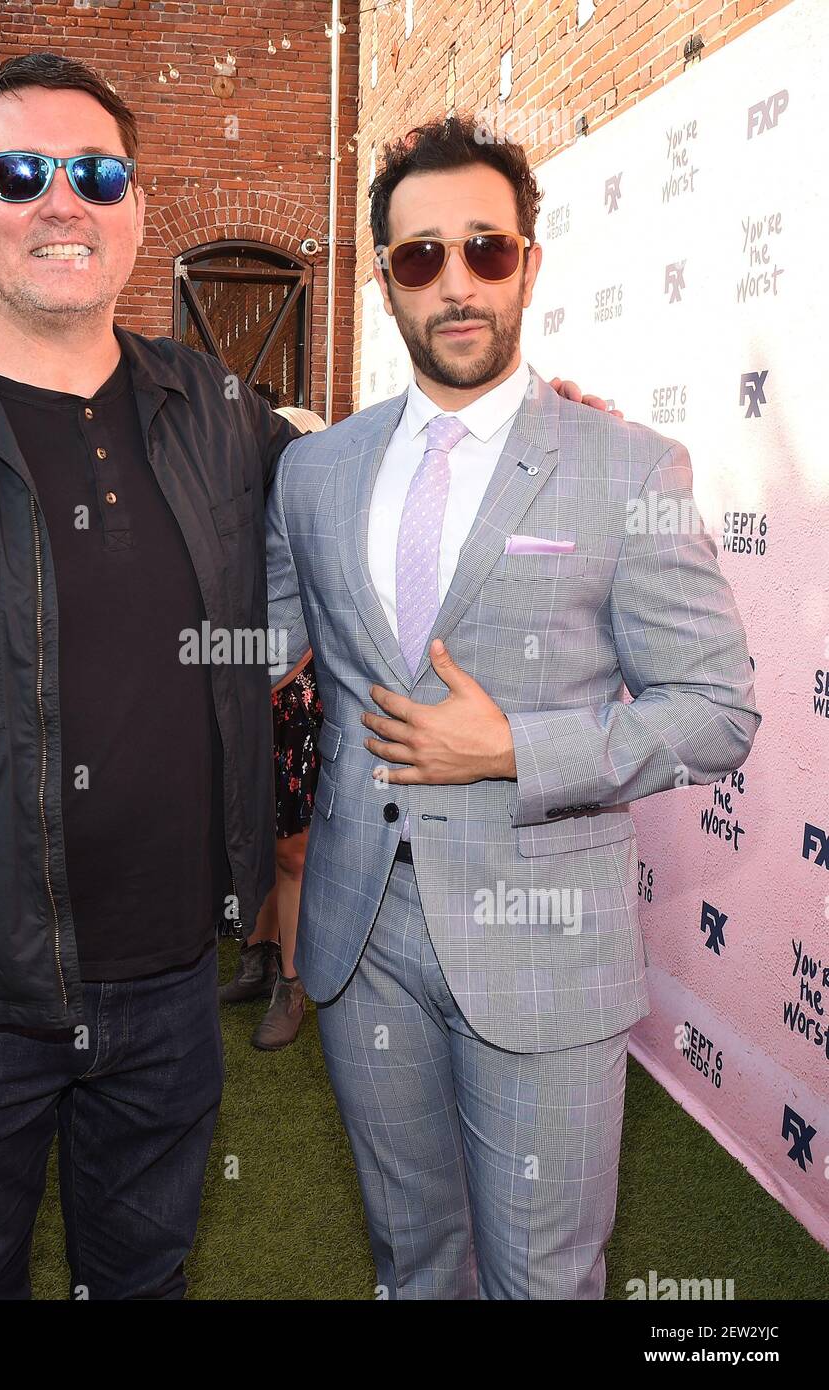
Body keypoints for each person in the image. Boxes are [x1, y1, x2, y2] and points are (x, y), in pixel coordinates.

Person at [0, 56, 614, 1301]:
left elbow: (376, 463)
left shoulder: (213, 407)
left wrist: (524, 420)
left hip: (165, 988)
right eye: (20, 172)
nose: (62, 202)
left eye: (95, 174)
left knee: (144, 1278)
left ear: (135, 208)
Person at [265, 113, 760, 1299]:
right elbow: (262, 646)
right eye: (420, 255)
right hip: (357, 936)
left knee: (542, 1278)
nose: (456, 282)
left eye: (486, 248)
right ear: (384, 280)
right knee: (413, 1260)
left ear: (529, 263)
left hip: (544, 946)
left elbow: (717, 708)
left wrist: (513, 749)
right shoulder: (313, 469)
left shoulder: (626, 466)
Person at [219, 404, 327, 1051]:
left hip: (295, 696)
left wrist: (301, 666)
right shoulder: (230, 504)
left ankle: (293, 980)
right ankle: (257, 958)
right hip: (239, 693)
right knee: (252, 843)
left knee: (293, 850)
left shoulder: (312, 502)